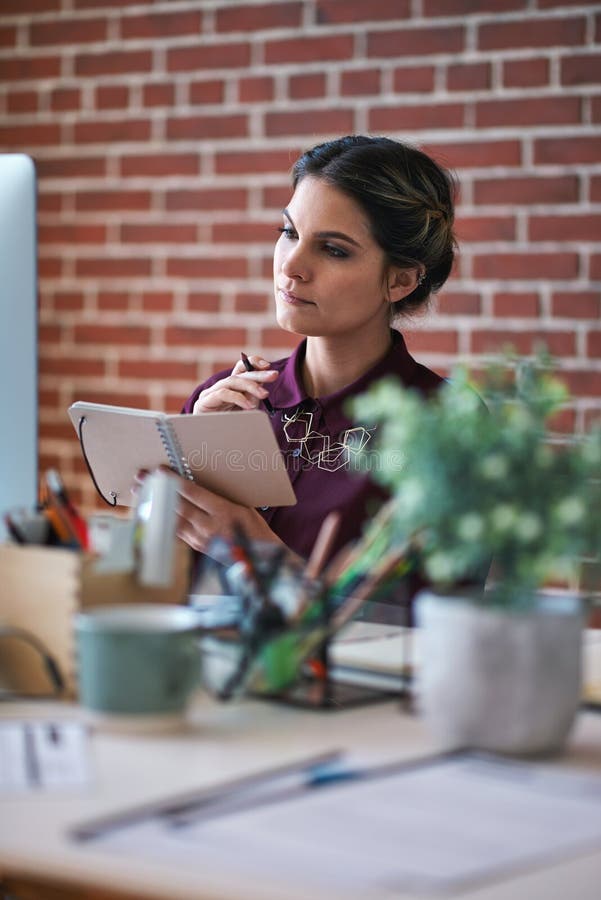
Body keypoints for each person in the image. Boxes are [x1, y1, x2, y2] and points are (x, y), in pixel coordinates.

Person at [177, 134, 457, 571]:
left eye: (333, 249)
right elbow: (153, 596)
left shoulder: (443, 425)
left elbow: (434, 624)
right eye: (289, 232)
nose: (290, 266)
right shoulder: (218, 401)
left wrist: (258, 550)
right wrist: (190, 467)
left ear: (401, 281)